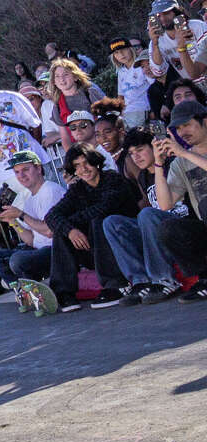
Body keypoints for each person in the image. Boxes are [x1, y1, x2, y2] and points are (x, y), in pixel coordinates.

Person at [44, 144, 139, 311]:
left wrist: (71, 224)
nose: (83, 169)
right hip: (96, 249)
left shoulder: (113, 180)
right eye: (77, 166)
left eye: (86, 163)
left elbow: (102, 209)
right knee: (63, 231)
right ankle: (64, 293)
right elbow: (51, 215)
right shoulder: (78, 188)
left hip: (125, 243)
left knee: (98, 221)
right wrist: (70, 230)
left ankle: (115, 285)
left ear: (96, 162)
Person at [103, 127, 189, 306]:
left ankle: (165, 279)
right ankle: (141, 281)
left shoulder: (172, 164)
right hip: (157, 229)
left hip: (181, 225)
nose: (136, 157)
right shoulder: (142, 176)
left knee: (147, 214)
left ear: (154, 147)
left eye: (140, 150)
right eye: (132, 153)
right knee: (112, 223)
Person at [0, 63, 48, 201]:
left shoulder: (12, 97)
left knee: (47, 202)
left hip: (32, 164)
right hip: (6, 172)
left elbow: (35, 125)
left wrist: (34, 153)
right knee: (20, 215)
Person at [153, 101, 207, 302]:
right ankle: (204, 279)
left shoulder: (185, 155)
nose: (182, 132)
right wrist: (159, 163)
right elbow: (166, 204)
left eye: (187, 125)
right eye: (178, 128)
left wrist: (185, 153)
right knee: (167, 228)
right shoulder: (180, 163)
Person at [0, 151, 64, 286]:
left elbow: (49, 231)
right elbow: (31, 240)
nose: (21, 176)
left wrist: (21, 215)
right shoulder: (29, 198)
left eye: (25, 170)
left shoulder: (50, 190)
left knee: (17, 260)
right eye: (17, 172)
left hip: (58, 249)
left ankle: (36, 291)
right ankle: (25, 295)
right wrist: (12, 222)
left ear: (38, 168)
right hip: (39, 250)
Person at [48, 58, 106, 150]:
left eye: (65, 74)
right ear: (54, 82)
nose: (61, 79)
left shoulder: (90, 93)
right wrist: (71, 159)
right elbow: (65, 137)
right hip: (81, 151)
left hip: (102, 145)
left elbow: (107, 119)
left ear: (75, 76)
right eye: (57, 76)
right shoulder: (57, 106)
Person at [148, 0, 207, 80]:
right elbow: (159, 71)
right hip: (191, 87)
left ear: (176, 11)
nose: (162, 18)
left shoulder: (197, 26)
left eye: (166, 13)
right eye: (158, 15)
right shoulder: (157, 40)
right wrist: (155, 44)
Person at [109, 37, 154, 129]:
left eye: (123, 50)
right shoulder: (120, 72)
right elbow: (121, 96)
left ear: (130, 49)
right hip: (127, 113)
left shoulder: (141, 65)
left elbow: (154, 86)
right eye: (116, 52)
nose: (121, 54)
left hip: (142, 110)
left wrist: (154, 110)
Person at [135, 50, 181, 122]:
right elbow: (160, 116)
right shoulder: (152, 90)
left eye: (149, 63)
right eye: (143, 66)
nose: (147, 69)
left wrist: (168, 105)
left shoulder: (180, 77)